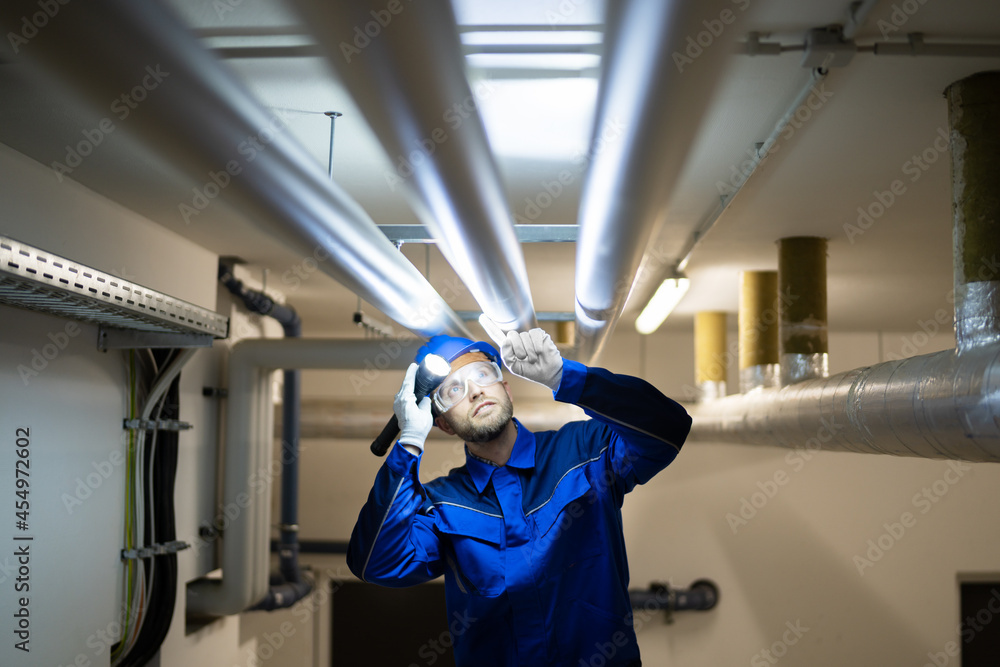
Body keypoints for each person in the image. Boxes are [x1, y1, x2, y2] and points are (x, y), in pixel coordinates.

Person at [347, 323, 692, 667]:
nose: (474, 392)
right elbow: (375, 562)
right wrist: (408, 444)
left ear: (507, 390)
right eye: (452, 391)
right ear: (444, 424)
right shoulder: (443, 505)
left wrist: (564, 377)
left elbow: (668, 428)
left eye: (483, 374)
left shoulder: (584, 451)